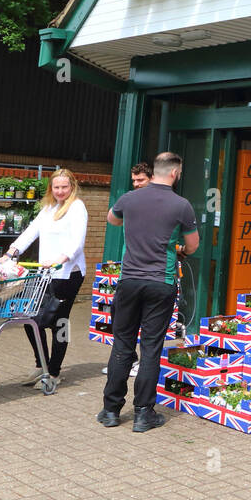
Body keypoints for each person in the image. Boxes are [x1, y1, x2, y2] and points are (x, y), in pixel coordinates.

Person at [99, 151, 198, 432]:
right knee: (151, 347)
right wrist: (176, 247)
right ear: (176, 173)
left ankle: (110, 411)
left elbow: (112, 219)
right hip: (160, 282)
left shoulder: (129, 199)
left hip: (129, 281)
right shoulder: (182, 205)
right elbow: (193, 246)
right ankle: (143, 414)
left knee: (122, 345)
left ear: (154, 171)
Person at [6, 169, 88, 389]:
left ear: (72, 186)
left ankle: (54, 371)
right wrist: (12, 251)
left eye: (64, 187)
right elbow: (31, 232)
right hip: (45, 274)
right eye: (56, 187)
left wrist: (62, 258)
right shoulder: (48, 208)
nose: (60, 191)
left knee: (59, 321)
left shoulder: (77, 207)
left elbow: (77, 241)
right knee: (31, 318)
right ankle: (40, 363)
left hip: (68, 273)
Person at [99, 160, 153, 378]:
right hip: (128, 271)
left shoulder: (160, 204)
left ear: (152, 179)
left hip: (152, 273)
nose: (137, 184)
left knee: (147, 323)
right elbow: (113, 219)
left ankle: (140, 363)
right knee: (120, 320)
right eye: (134, 181)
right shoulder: (130, 201)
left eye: (141, 180)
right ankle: (126, 361)